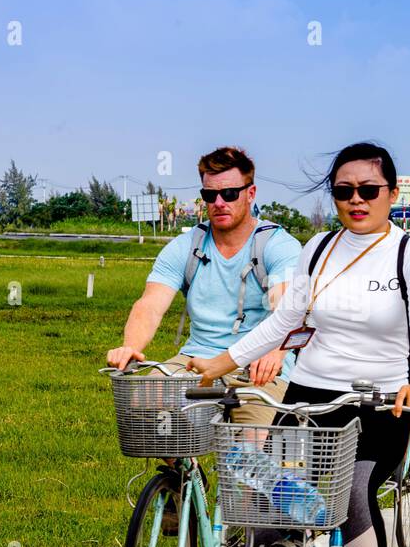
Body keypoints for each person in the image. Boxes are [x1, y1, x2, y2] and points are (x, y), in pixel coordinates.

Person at [187, 142, 410, 547]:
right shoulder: (320, 247)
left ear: (391, 192)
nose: (357, 200)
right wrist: (222, 363)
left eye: (369, 190)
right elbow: (285, 320)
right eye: (344, 191)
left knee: (350, 494)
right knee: (264, 482)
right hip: (310, 391)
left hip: (381, 401)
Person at [106, 145, 302, 421]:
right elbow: (150, 305)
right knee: (142, 404)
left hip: (256, 365)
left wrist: (276, 351)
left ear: (251, 194)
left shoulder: (276, 245)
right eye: (210, 195)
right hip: (197, 359)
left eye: (230, 194)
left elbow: (287, 307)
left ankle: (244, 458)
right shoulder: (187, 246)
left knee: (254, 444)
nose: (219, 202)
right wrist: (130, 346)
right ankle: (184, 465)